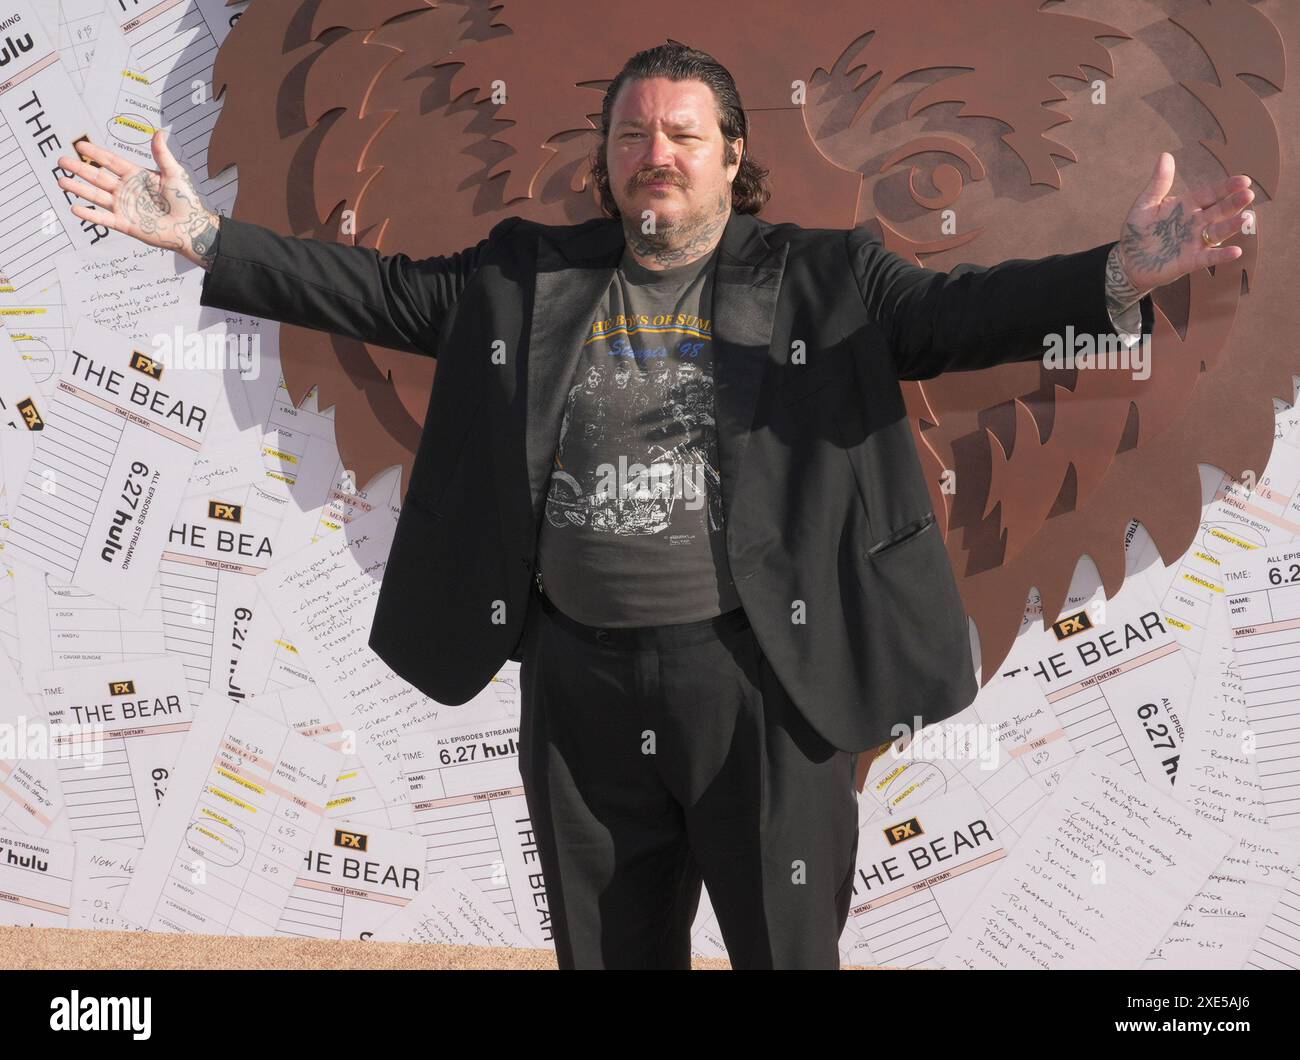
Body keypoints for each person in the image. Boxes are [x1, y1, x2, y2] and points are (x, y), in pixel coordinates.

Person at [56, 42, 1253, 970]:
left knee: (787, 952)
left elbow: (963, 315)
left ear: (734, 154)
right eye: (632, 135)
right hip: (578, 684)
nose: (656, 154)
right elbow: (375, 290)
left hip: (761, 683)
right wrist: (207, 239)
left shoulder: (828, 277)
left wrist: (1120, 272)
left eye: (683, 133)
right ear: (607, 159)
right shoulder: (527, 274)